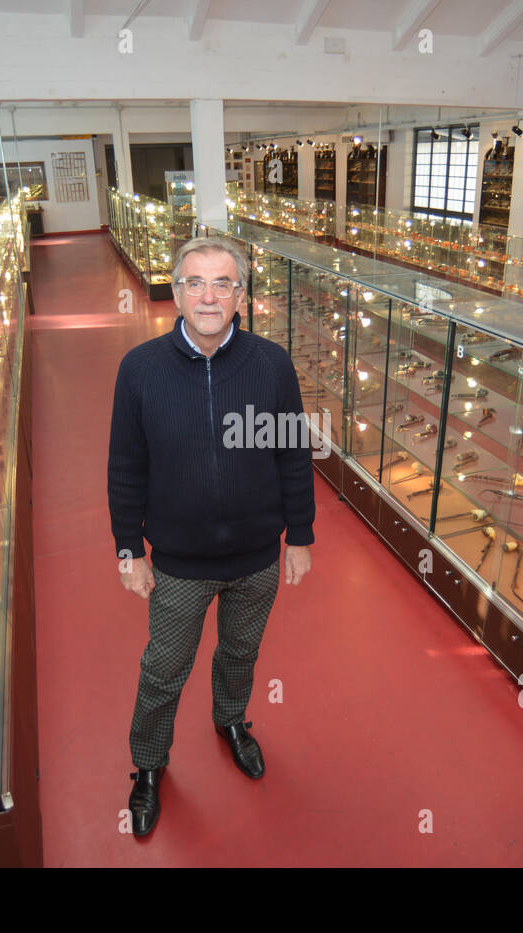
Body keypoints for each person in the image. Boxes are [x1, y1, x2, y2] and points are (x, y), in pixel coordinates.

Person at [107, 234, 315, 838]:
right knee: (164, 668)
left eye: (222, 282)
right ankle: (147, 766)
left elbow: (292, 454)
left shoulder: (271, 364)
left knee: (240, 654)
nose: (208, 295)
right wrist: (129, 551)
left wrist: (298, 535)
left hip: (256, 558)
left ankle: (231, 721)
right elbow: (125, 467)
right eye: (195, 282)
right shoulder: (140, 369)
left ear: (241, 296)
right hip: (178, 564)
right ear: (176, 291)